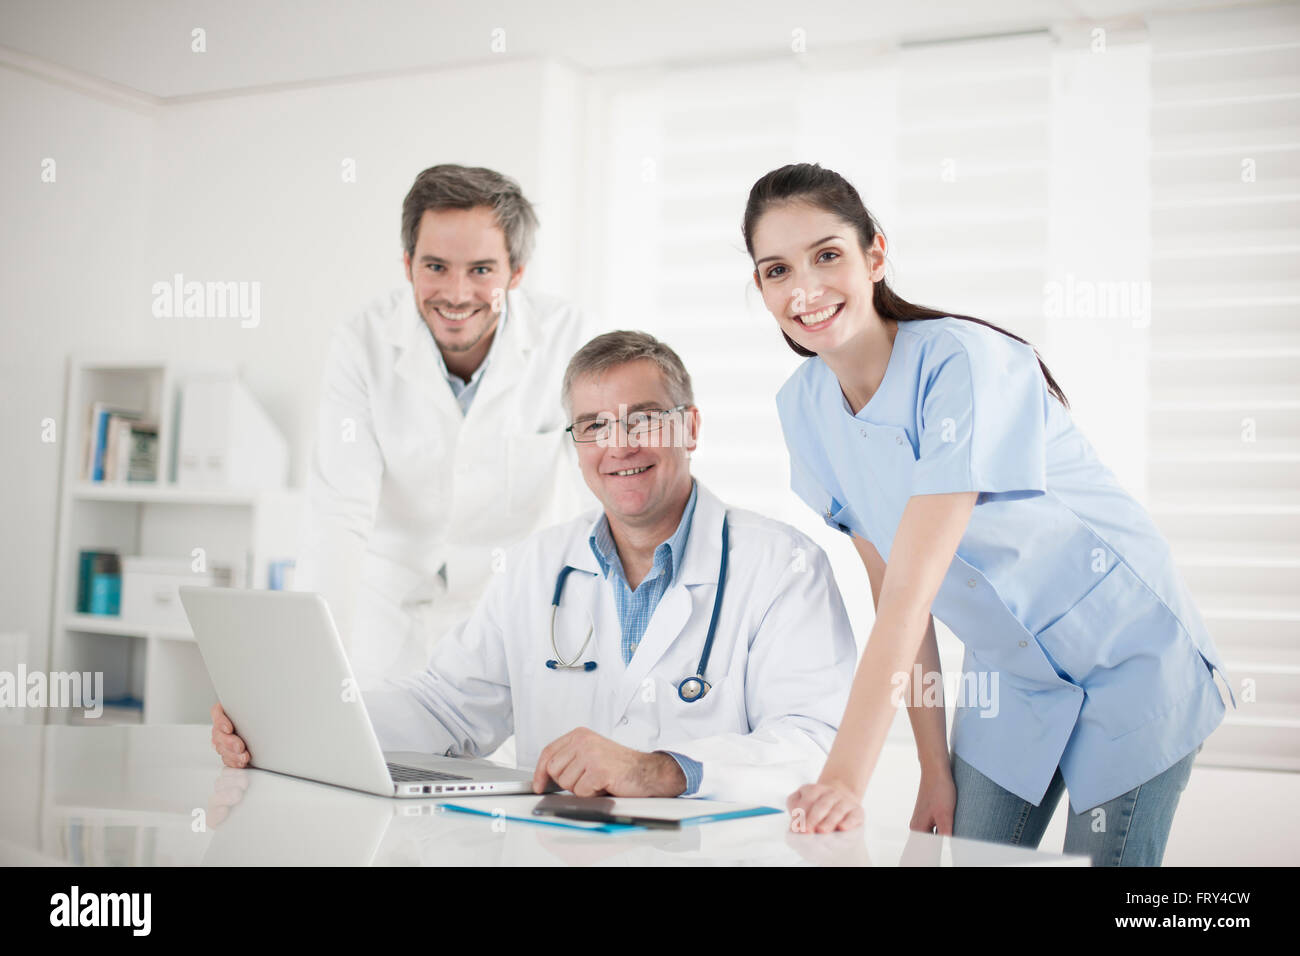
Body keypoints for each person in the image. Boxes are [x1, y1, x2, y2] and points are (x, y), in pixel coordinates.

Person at [742, 162, 1235, 864]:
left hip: (1129, 655)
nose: (806, 289)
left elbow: (913, 596)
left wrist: (846, 778)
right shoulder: (804, 411)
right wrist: (932, 765)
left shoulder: (962, 363)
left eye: (827, 255)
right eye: (777, 270)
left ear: (875, 254)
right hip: (1014, 681)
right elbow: (891, 592)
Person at [214, 332, 858, 803]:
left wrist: (659, 769)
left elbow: (816, 743)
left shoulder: (784, 566)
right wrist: (296, 718)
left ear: (689, 427)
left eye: (643, 420)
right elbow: (447, 709)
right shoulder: (538, 565)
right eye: (593, 426)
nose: (618, 446)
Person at [294, 164, 595, 690]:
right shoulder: (362, 341)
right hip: (385, 614)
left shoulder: (567, 338)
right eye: (436, 266)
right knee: (363, 759)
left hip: (512, 614)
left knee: (511, 770)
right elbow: (338, 514)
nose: (456, 294)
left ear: (516, 273)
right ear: (408, 264)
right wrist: (307, 669)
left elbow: (605, 497)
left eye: (481, 270)